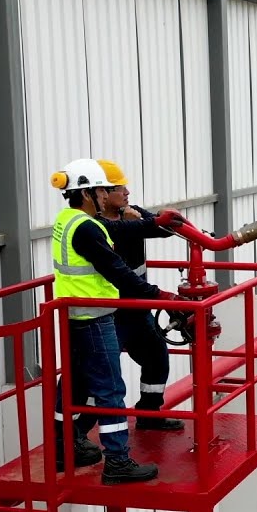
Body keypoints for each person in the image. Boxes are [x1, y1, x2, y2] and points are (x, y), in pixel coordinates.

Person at [47, 157, 181, 485]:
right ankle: (118, 462)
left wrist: (152, 219)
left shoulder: (67, 220)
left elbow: (125, 233)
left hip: (77, 315)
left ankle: (64, 447)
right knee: (110, 389)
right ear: (88, 193)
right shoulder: (89, 227)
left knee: (77, 378)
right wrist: (161, 296)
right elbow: (116, 270)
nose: (108, 196)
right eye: (104, 190)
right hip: (95, 318)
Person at [94, 159, 188, 432]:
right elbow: (131, 230)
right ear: (102, 193)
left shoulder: (129, 214)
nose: (127, 193)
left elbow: (164, 230)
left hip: (137, 307)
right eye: (120, 188)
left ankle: (148, 413)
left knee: (156, 355)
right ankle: (76, 434)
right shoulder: (97, 227)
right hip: (109, 313)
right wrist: (145, 222)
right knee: (99, 374)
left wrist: (151, 219)